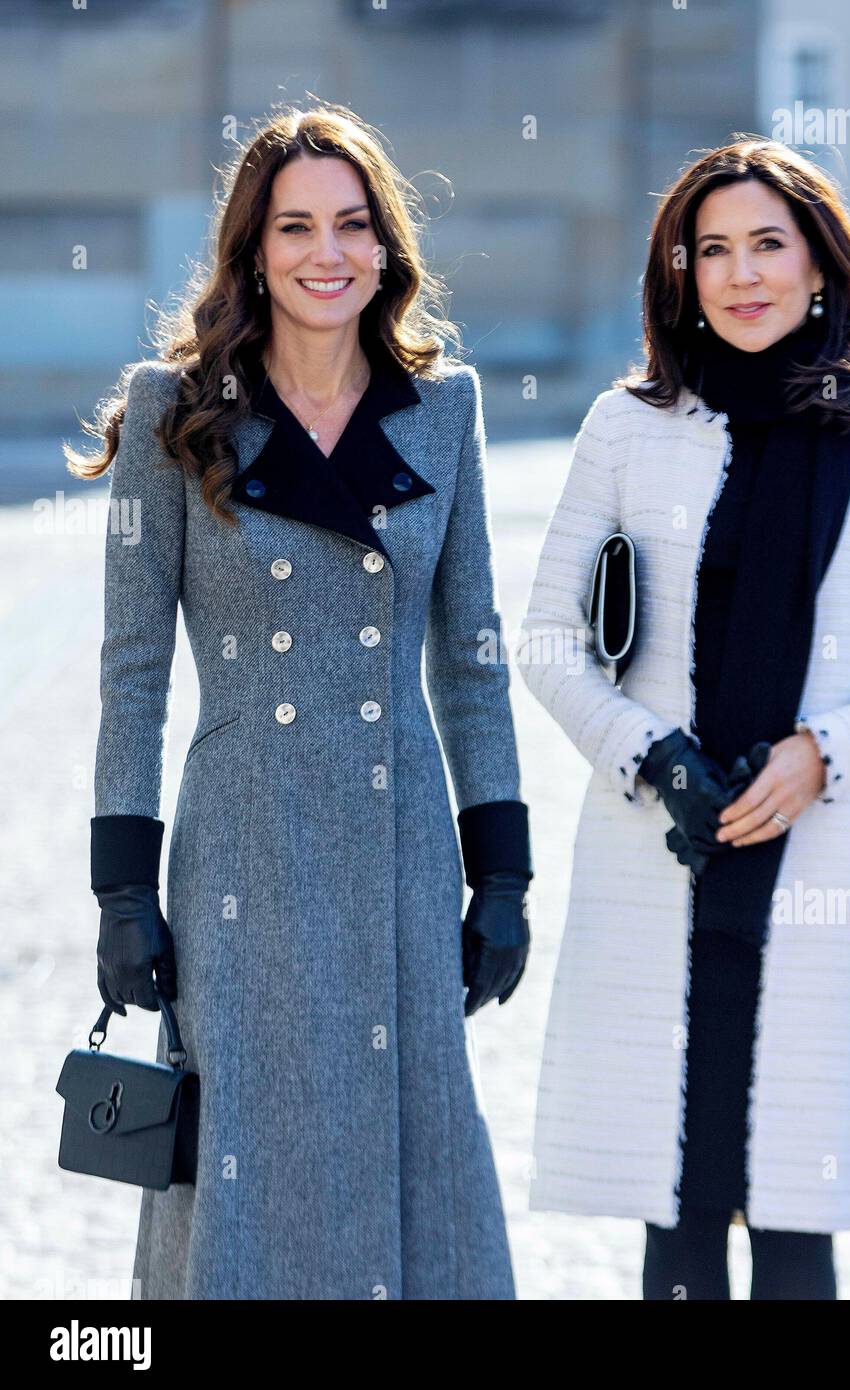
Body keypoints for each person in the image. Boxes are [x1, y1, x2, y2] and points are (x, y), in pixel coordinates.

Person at [65, 103, 532, 1300]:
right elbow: (132, 666)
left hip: (401, 845)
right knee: (247, 1147)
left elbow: (471, 657)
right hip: (243, 852)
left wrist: (506, 876)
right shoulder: (172, 410)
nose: (327, 252)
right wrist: (122, 885)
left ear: (385, 248)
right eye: (295, 227)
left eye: (352, 224)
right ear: (253, 251)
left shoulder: (447, 409)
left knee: (410, 1130)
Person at [516, 137, 850, 1299]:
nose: (740, 275)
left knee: (795, 1212)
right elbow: (545, 639)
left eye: (766, 245)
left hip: (825, 851)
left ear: (820, 265)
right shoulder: (627, 425)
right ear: (679, 274)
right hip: (654, 849)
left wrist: (825, 754)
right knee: (672, 1209)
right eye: (711, 250)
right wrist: (652, 755)